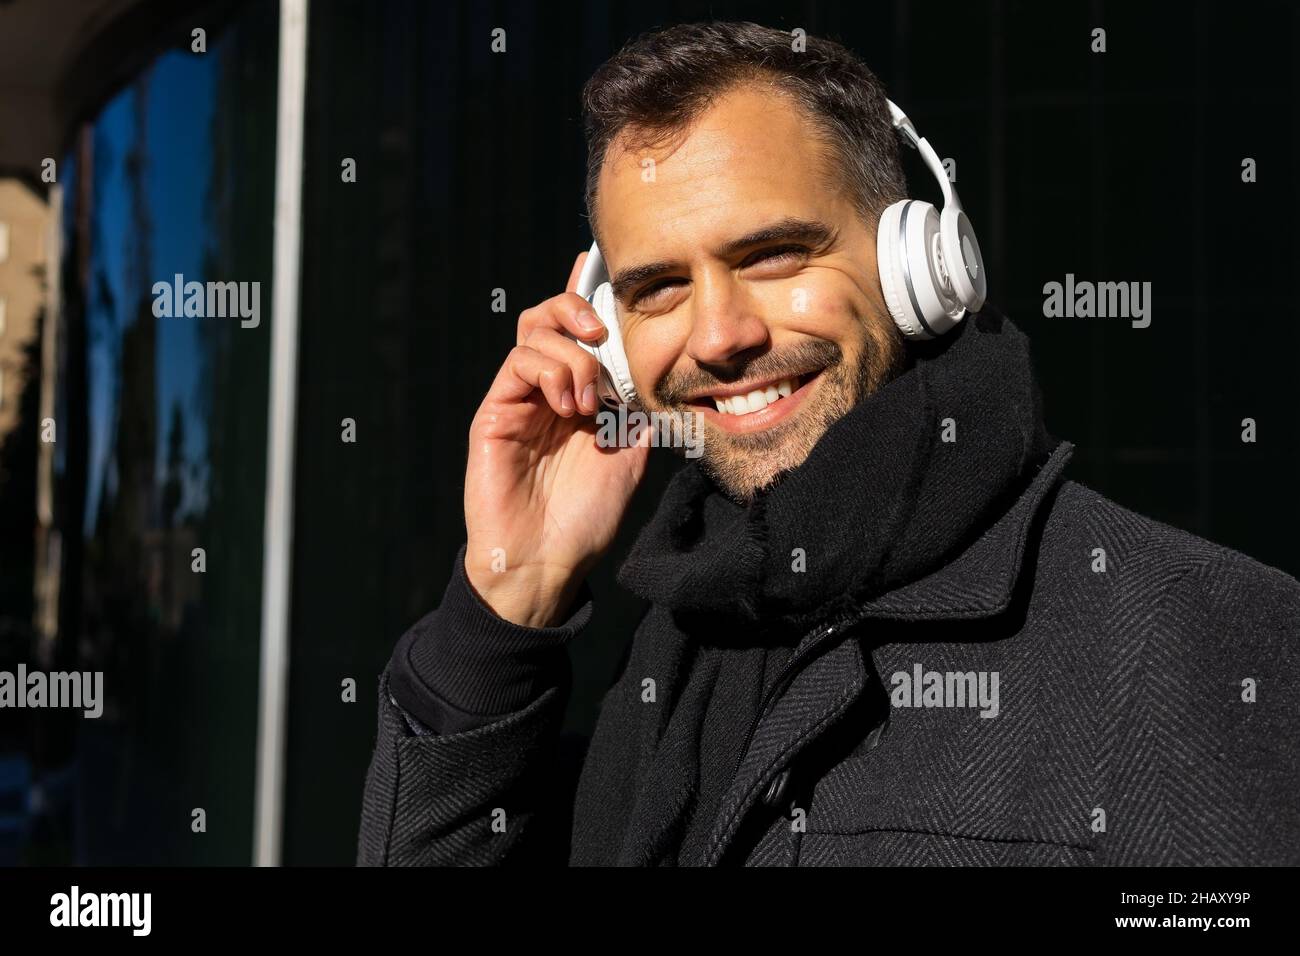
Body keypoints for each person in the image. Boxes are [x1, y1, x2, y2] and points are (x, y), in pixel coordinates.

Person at [357, 20, 1300, 866]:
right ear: (611, 331)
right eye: (659, 289)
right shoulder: (661, 659)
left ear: (923, 259)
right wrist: (506, 604)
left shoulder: (1199, 641)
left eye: (771, 255)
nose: (720, 335)